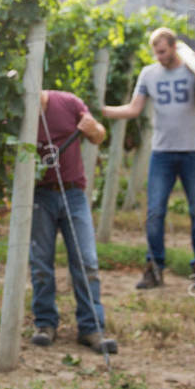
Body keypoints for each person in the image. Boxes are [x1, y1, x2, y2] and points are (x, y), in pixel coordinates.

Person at [102, 27, 195, 289]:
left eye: (163, 51)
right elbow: (134, 109)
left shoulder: (191, 69)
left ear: (174, 47)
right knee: (154, 212)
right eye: (155, 52)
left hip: (192, 152)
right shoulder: (149, 74)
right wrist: (101, 111)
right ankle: (154, 267)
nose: (159, 56)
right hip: (162, 152)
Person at [30, 89, 117, 354]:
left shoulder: (67, 103)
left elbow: (99, 136)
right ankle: (45, 323)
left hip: (73, 193)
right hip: (39, 195)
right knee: (41, 262)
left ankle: (91, 328)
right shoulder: (15, 113)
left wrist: (93, 128)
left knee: (86, 261)